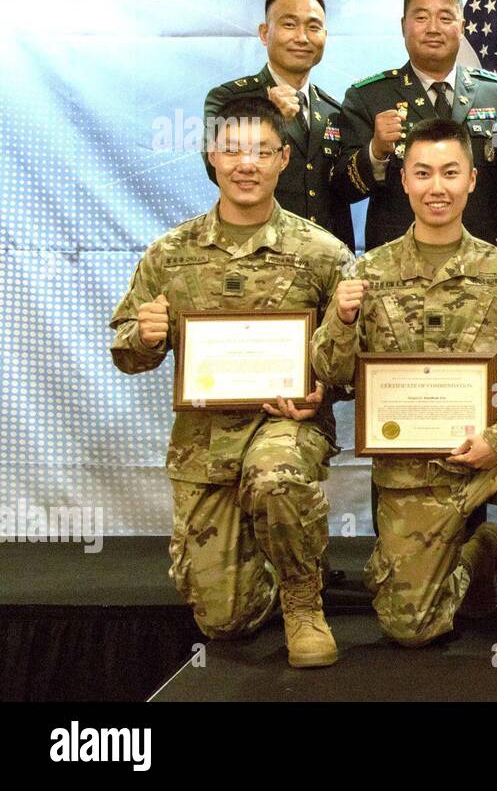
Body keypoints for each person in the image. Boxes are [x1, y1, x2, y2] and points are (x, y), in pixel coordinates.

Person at [311, 119, 497, 679]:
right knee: (411, 629)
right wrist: (342, 320)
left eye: (449, 172)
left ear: (471, 180)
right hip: (412, 471)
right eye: (422, 173)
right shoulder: (367, 274)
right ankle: (475, 553)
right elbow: (334, 375)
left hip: (492, 458)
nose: (436, 186)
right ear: (403, 180)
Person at [110, 96, 354, 668]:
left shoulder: (322, 254)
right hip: (205, 445)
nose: (247, 164)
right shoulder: (170, 254)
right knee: (225, 622)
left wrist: (326, 389)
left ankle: (302, 600)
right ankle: (257, 569)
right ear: (212, 157)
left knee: (275, 478)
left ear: (284, 159)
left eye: (262, 151)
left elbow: (352, 357)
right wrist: (143, 337)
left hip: (285, 427)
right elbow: (125, 349)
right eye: (233, 150)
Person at [334, 0, 497, 276]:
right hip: (396, 268)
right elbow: (342, 189)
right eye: (421, 17)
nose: (433, 28)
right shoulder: (369, 96)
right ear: (404, 26)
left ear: (462, 25)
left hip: (482, 263)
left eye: (445, 17)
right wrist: (375, 152)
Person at [204, 0, 354, 247]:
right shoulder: (228, 98)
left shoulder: (334, 109)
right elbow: (213, 165)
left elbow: (345, 186)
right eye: (289, 25)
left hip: (328, 256)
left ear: (325, 36)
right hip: (257, 254)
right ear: (265, 33)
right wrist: (270, 117)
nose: (302, 37)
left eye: (313, 27)